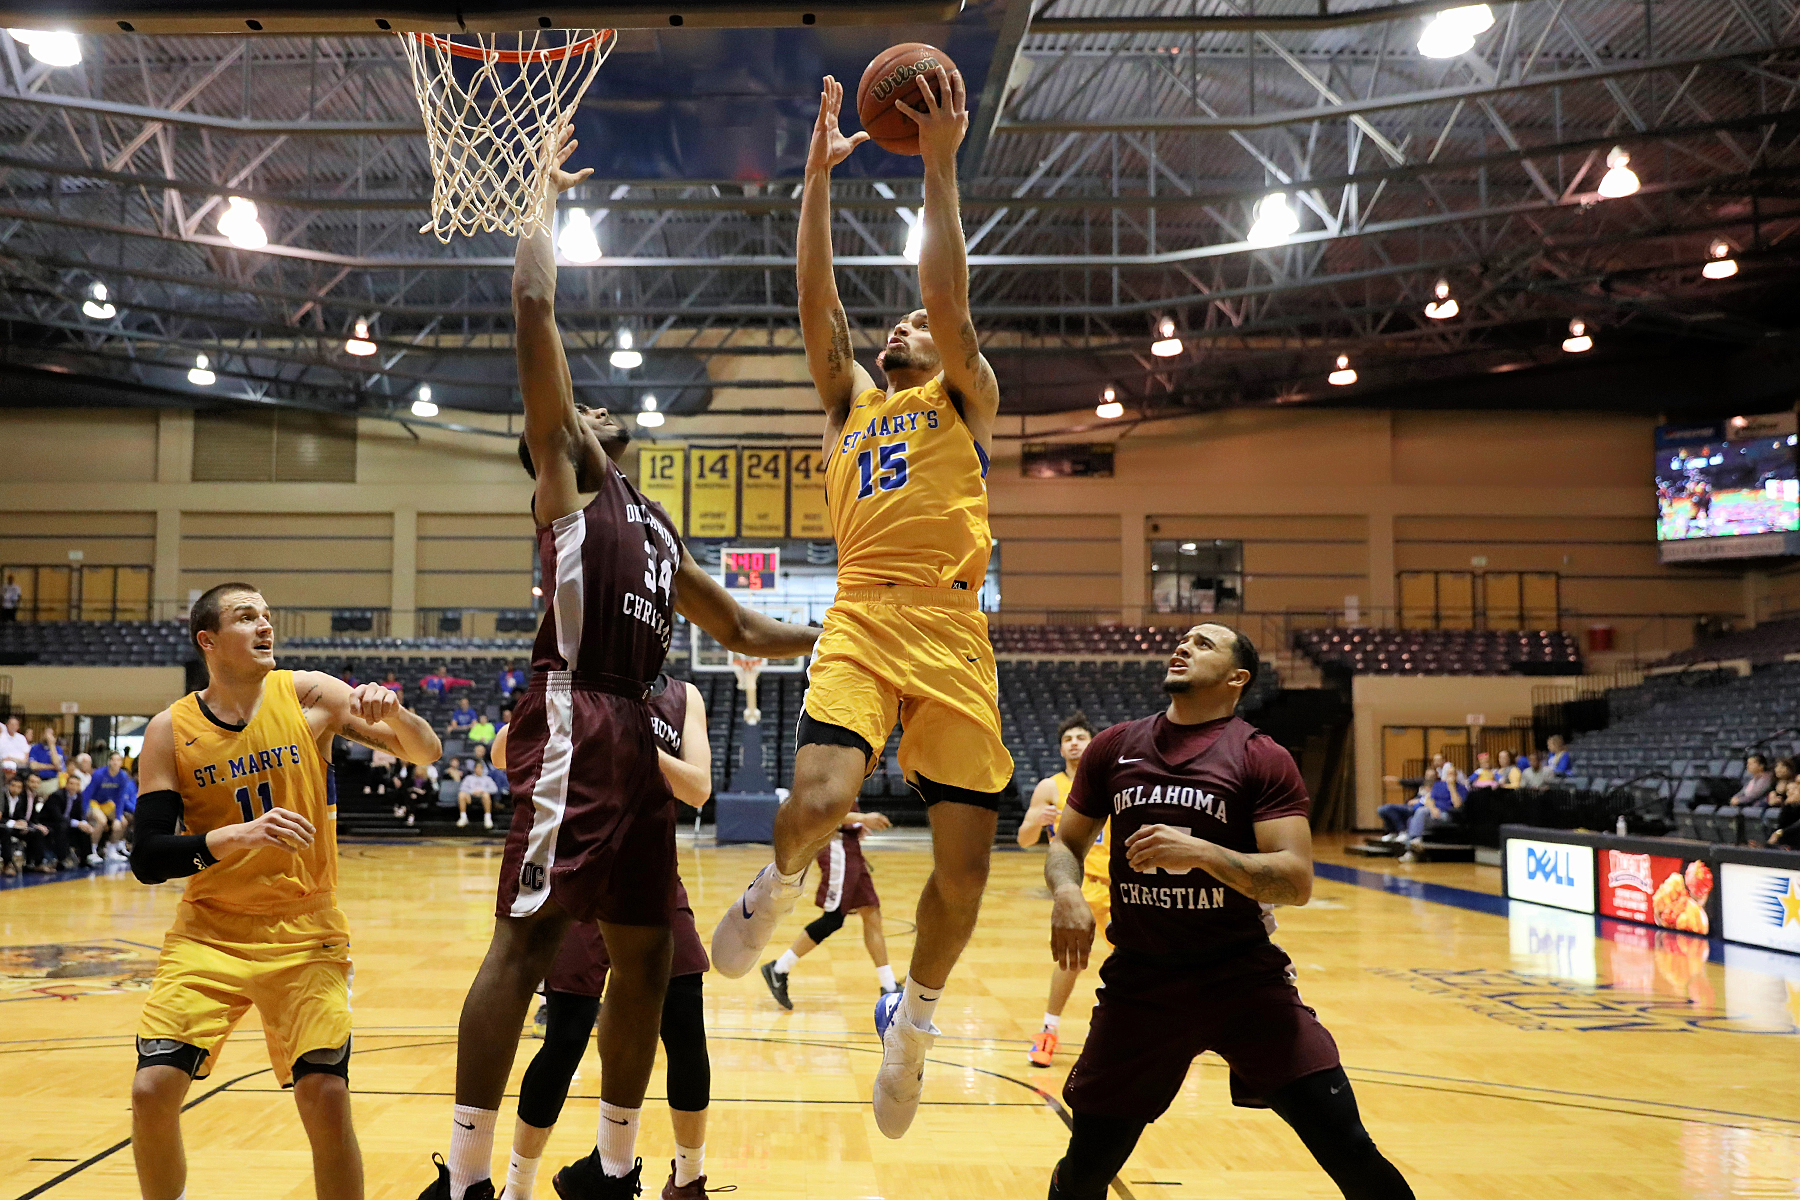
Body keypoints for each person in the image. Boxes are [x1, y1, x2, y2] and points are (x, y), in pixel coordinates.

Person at [414, 127, 818, 1200]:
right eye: (578, 408)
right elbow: (536, 312)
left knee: (645, 957)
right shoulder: (567, 484)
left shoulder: (658, 526)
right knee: (530, 943)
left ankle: (616, 1168)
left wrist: (849, 636)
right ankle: (463, 1179)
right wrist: (540, 198)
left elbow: (742, 633)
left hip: (636, 732)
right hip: (576, 718)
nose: (591, 408)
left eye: (592, 408)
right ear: (559, 439)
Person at [709, 69, 1011, 1141]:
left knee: (964, 876)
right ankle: (776, 885)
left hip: (952, 629)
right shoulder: (850, 407)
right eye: (892, 331)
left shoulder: (962, 395)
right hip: (863, 617)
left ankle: (915, 1028)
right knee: (821, 799)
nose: (902, 331)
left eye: (914, 330)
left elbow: (946, 298)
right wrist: (814, 182)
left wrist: (938, 163)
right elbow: (815, 303)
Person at [1043, 623, 1414, 1200]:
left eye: (1205, 643)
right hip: (1141, 984)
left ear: (1238, 677)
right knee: (1084, 1170)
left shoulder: (1260, 757)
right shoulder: (1113, 747)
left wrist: (1203, 854)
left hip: (1242, 979)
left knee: (1351, 1151)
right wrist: (1067, 894)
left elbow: (1296, 880)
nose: (1184, 646)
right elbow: (1065, 843)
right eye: (1184, 639)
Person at [128, 582, 441, 1200]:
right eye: (247, 618)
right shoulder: (169, 730)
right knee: (149, 1092)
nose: (265, 626)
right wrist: (235, 836)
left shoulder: (308, 693)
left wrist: (395, 713)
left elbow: (425, 753)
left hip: (304, 929)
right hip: (209, 931)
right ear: (209, 641)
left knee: (325, 1096)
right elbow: (146, 858)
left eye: (268, 616)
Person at [491, 671, 724, 1200]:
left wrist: (636, 745)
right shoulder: (576, 684)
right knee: (568, 1035)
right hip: (578, 871)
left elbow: (698, 788)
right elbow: (503, 753)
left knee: (685, 1018)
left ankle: (687, 1179)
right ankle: (516, 1188)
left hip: (651, 871)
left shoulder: (682, 697)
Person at [1013, 712, 1108, 1068]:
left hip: (1118, 886)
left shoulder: (1108, 781)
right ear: (1060, 748)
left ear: (1093, 743)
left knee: (1141, 962)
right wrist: (1036, 823)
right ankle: (1048, 1030)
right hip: (1078, 887)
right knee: (1071, 960)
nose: (1073, 743)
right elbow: (1022, 840)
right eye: (1067, 739)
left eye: (1080, 737)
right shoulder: (1050, 787)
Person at [759, 803, 897, 1010]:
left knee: (871, 912)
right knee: (833, 919)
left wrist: (856, 825)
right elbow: (822, 813)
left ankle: (889, 985)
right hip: (836, 849)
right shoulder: (829, 772)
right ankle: (779, 969)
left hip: (849, 847)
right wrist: (862, 818)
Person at [1400, 765, 1468, 863]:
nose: (1450, 776)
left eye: (1453, 774)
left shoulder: (1461, 788)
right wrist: (1433, 809)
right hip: (1433, 813)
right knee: (1413, 818)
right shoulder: (1438, 785)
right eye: (1449, 774)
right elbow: (1429, 800)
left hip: (1447, 815)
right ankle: (1412, 848)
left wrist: (1451, 787)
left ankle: (1413, 842)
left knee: (1421, 812)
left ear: (1456, 775)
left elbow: (1457, 805)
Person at [457, 761, 499, 831]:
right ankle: (463, 817)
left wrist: (482, 790)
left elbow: (494, 789)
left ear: (482, 769)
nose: (479, 770)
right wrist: (472, 792)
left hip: (482, 797)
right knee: (461, 794)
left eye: (480, 768)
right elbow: (462, 788)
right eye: (477, 768)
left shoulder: (487, 779)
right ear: (474, 769)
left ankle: (487, 818)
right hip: (470, 797)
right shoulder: (468, 778)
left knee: (486, 795)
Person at [27, 727, 63, 797]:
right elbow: (33, 766)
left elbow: (57, 764)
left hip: (51, 781)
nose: (47, 736)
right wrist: (52, 767)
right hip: (36, 781)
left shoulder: (58, 749)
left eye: (50, 734)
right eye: (46, 733)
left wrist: (52, 745)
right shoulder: (35, 748)